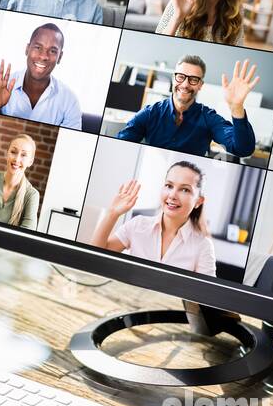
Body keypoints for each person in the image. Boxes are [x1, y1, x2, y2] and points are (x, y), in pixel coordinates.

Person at [116, 55, 259, 159]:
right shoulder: (150, 113)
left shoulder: (208, 118)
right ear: (173, 78)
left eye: (193, 79)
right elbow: (120, 145)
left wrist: (236, 107)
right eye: (181, 76)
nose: (185, 84)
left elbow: (243, 149)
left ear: (200, 85)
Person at [88, 161, 217, 276]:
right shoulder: (138, 225)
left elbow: (207, 296)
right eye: (169, 186)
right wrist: (112, 213)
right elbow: (94, 258)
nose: (172, 195)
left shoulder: (203, 245)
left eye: (184, 190)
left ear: (198, 201)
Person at [0, 21, 83, 129]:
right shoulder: (1, 85)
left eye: (53, 51)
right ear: (27, 49)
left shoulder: (70, 101)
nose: (43, 56)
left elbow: (69, 143)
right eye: (38, 47)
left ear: (60, 57)